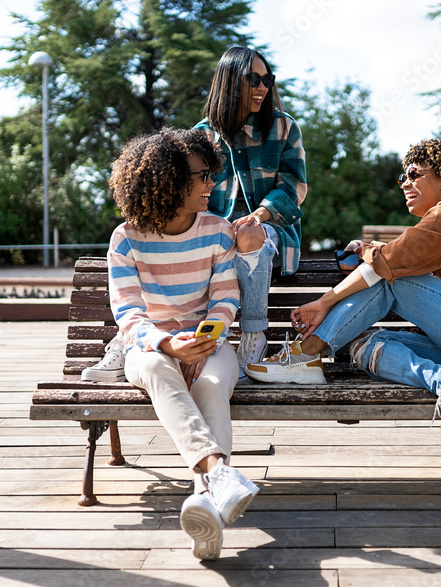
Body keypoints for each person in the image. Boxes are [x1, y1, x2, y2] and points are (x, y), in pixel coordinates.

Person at [245, 139, 441, 440]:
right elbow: (395, 256)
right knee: (365, 345)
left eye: (414, 174)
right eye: (402, 178)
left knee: (391, 278)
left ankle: (306, 353)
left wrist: (324, 302)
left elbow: (389, 265)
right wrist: (369, 250)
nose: (404, 183)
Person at [95, 127, 258, 561]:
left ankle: (206, 502)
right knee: (153, 369)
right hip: (151, 350)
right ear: (166, 179)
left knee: (209, 386)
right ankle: (217, 475)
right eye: (202, 176)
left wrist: (208, 337)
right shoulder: (126, 239)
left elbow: (226, 298)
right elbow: (128, 315)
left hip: (211, 346)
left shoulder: (218, 230)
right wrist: (167, 343)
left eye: (211, 175)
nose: (212, 185)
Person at [194, 46, 308, 381]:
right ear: (230, 82)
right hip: (216, 237)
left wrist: (259, 214)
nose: (262, 87)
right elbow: (195, 195)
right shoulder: (204, 135)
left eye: (267, 79)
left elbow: (294, 188)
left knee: (248, 232)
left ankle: (253, 335)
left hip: (270, 232)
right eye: (253, 79)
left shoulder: (284, 128)